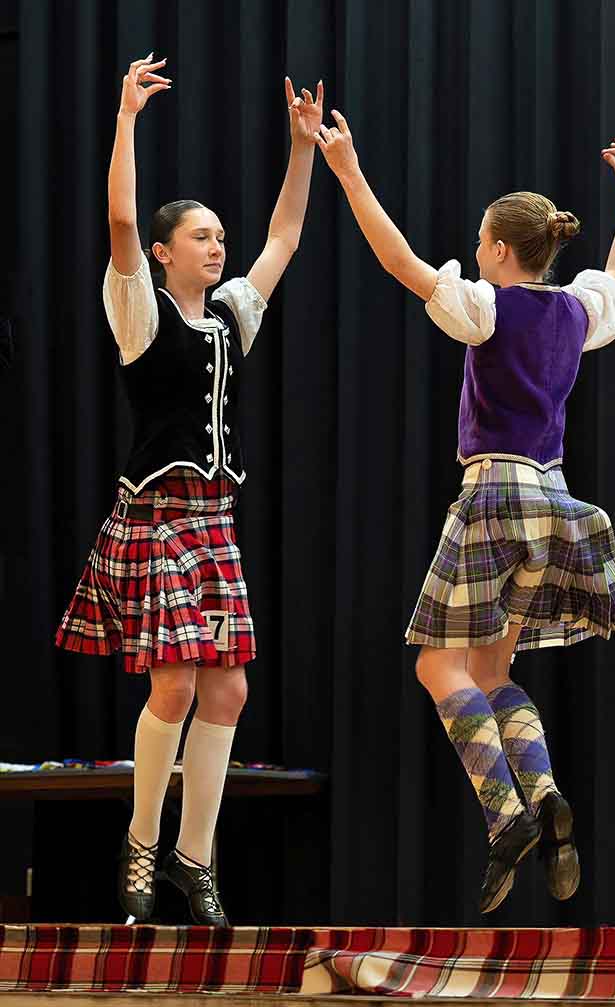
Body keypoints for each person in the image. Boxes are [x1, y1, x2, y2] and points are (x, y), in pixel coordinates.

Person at [314, 112, 615, 913]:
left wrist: (350, 172)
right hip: (554, 502)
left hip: (495, 493)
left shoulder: (487, 307)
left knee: (438, 666)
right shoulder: (576, 311)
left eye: (479, 241)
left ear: (499, 249)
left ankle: (506, 816)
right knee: (495, 672)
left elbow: (399, 262)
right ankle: (545, 794)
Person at [56, 54, 323, 926]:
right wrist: (126, 118)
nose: (218, 245)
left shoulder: (231, 315)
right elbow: (121, 218)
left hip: (214, 522)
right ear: (165, 253)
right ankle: (140, 841)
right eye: (201, 236)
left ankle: (193, 857)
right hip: (156, 519)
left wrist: (303, 149)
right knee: (172, 683)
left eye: (219, 236)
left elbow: (284, 237)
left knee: (229, 690)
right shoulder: (139, 310)